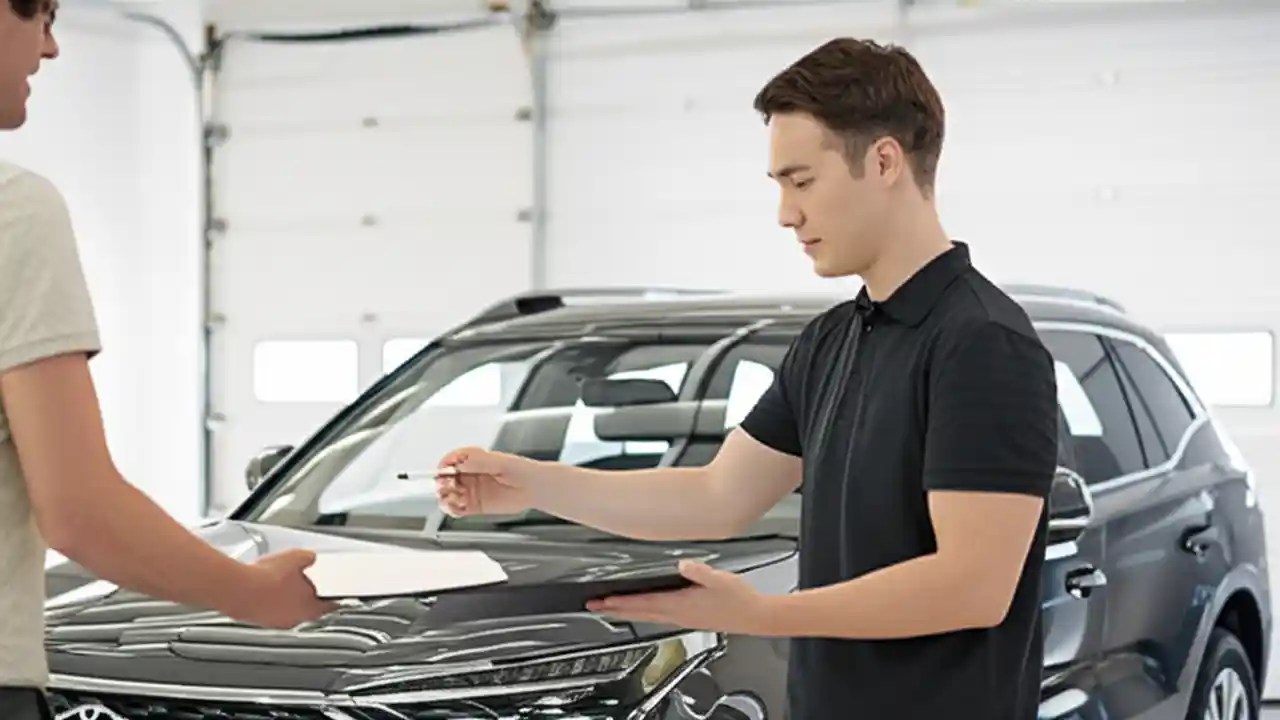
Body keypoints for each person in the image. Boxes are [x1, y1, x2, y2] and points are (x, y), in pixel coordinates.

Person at [434, 37, 1059, 719]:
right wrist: (529, 483)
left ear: (884, 161)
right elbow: (716, 496)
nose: (787, 214)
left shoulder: (983, 343)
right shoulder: (832, 340)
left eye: (801, 181)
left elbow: (972, 585)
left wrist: (763, 614)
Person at [0, 2, 335, 717]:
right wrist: (254, 592)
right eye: (42, 15)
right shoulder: (14, 210)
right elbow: (81, 512)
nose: (51, 48)